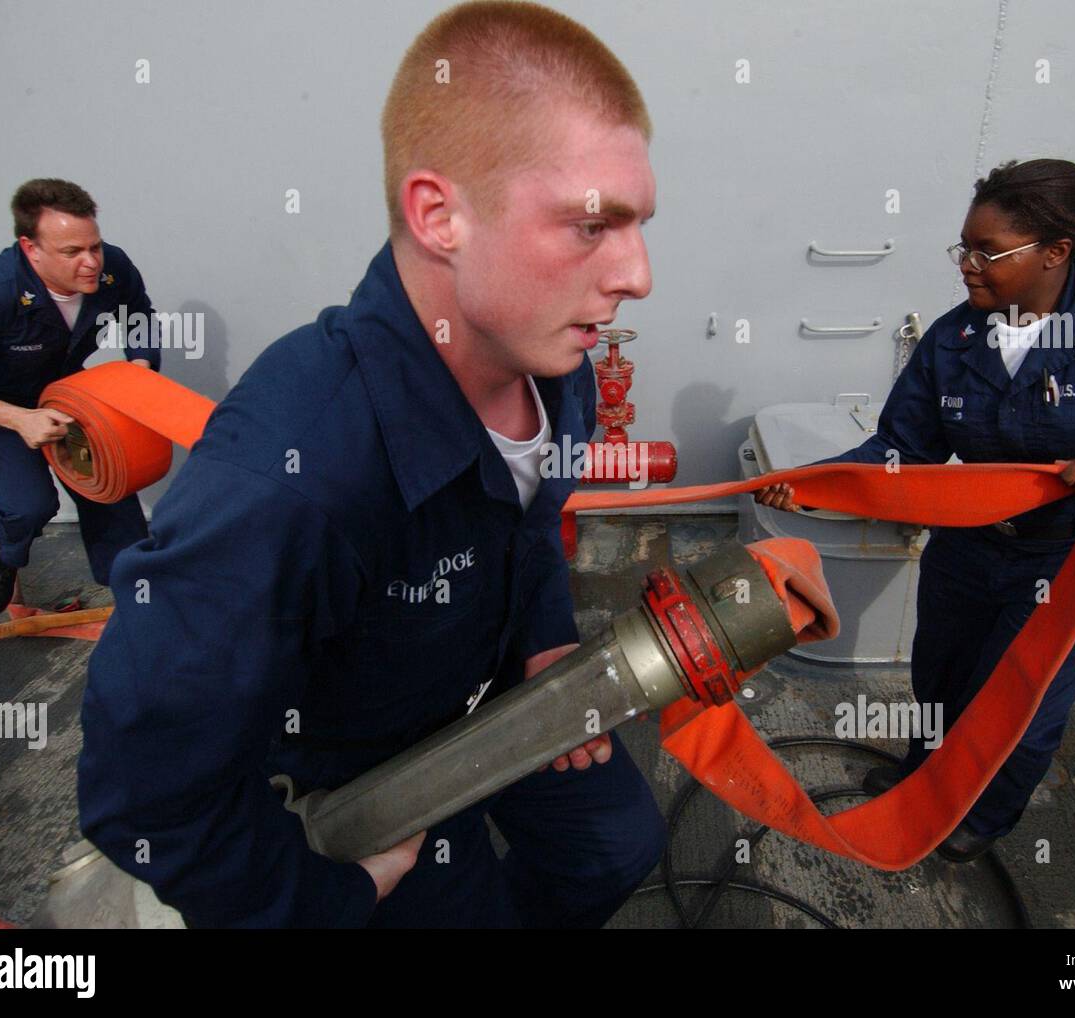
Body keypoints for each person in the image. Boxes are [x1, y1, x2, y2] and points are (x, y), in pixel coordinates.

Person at [78, 1, 665, 928]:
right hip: (362, 782)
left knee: (620, 846)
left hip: (495, 694)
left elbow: (529, 530)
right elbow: (142, 794)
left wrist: (543, 635)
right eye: (594, 226)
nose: (638, 274)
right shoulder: (292, 477)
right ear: (440, 216)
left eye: (639, 226)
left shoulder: (560, 375)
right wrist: (326, 900)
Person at [757, 158, 1075, 862]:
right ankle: (927, 776)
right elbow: (900, 446)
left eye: (989, 252)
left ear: (1055, 253)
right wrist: (814, 482)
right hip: (974, 540)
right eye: (964, 247)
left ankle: (983, 812)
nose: (967, 266)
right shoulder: (957, 339)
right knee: (943, 670)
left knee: (1020, 694)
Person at [0, 178, 160, 613]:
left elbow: (138, 313)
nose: (91, 262)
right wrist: (17, 419)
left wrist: (141, 366)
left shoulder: (112, 267)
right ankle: (4, 551)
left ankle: (135, 591)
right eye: (72, 252)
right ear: (30, 248)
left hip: (62, 394)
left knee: (108, 483)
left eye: (94, 246)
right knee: (30, 504)